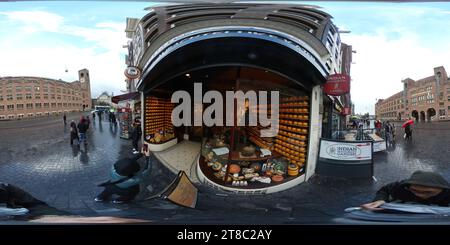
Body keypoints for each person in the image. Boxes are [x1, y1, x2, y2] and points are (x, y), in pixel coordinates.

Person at [361, 171, 450, 210]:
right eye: (415, 190)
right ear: (408, 186)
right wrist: (380, 199)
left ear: (443, 189)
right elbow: (385, 190)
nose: (421, 195)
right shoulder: (402, 187)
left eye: (428, 192)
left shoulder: (447, 193)